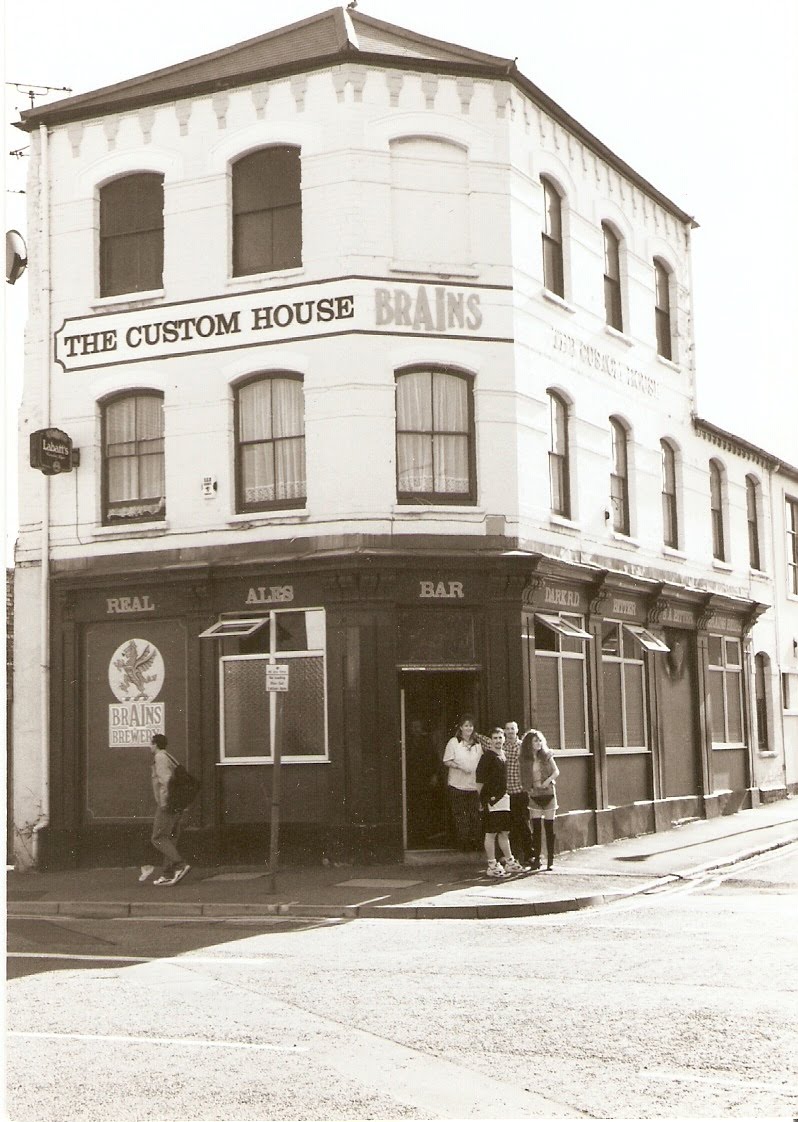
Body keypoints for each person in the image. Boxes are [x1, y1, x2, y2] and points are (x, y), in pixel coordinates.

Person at [475, 727, 523, 878]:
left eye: (500, 738)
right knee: (491, 833)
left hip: (504, 798)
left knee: (504, 832)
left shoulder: (504, 755)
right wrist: (482, 800)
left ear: (504, 739)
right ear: (490, 741)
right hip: (492, 800)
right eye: (494, 738)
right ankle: (492, 865)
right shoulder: (487, 757)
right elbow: (479, 781)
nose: (497, 741)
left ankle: (509, 862)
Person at [146, 733, 191, 886]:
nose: (149, 746)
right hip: (178, 803)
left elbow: (166, 781)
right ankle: (167, 873)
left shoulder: (160, 757)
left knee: (158, 837)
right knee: (169, 838)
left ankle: (180, 865)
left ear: (156, 744)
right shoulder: (169, 756)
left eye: (151, 743)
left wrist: (165, 803)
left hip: (168, 804)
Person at [442, 714, 484, 851]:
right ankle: (463, 844)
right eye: (466, 725)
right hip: (457, 785)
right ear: (461, 727)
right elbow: (446, 761)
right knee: (461, 816)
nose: (468, 728)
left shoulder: (478, 743)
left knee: (474, 815)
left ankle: (475, 843)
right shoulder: (454, 742)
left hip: (474, 786)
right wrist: (460, 767)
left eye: (471, 725)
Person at [520, 728, 559, 870]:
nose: (538, 743)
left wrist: (547, 781)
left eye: (539, 740)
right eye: (535, 741)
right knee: (536, 828)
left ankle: (550, 860)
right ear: (529, 743)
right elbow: (523, 777)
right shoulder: (525, 759)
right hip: (534, 795)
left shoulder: (547, 756)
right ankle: (536, 858)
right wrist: (528, 787)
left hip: (548, 793)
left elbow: (556, 771)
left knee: (549, 827)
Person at [504, 720, 533, 869]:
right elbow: (485, 740)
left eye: (512, 729)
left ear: (517, 730)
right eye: (507, 729)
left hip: (520, 791)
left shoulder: (523, 746)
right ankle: (512, 856)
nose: (510, 731)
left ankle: (529, 854)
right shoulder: (501, 746)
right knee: (510, 825)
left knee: (523, 823)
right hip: (506, 792)